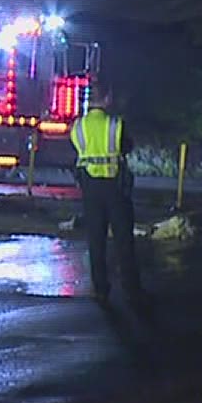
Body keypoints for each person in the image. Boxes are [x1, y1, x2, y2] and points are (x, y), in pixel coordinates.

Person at [68, 80, 145, 307]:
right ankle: (131, 289)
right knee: (123, 240)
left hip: (90, 187)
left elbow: (78, 151)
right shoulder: (115, 124)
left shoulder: (78, 126)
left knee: (96, 239)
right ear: (107, 98)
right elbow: (127, 147)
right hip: (114, 185)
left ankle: (100, 288)